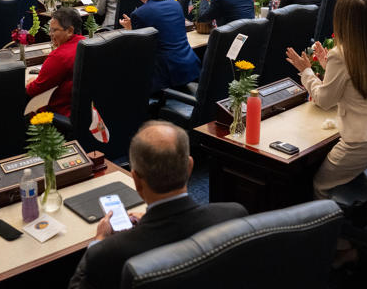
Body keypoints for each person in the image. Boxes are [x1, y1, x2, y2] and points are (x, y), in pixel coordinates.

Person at [68, 121, 247, 289]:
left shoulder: (106, 253)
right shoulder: (234, 216)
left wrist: (98, 241)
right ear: (190, 167)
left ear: (136, 180)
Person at [285, 0, 367, 198]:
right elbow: (355, 83)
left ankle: (333, 227)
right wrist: (327, 67)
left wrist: (306, 71)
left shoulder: (341, 54)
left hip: (365, 138)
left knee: (321, 185)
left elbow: (324, 101)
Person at [120, 0, 201, 91]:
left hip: (166, 75)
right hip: (190, 65)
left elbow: (140, 48)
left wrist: (131, 29)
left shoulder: (139, 14)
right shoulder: (175, 4)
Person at [26, 8, 85, 117]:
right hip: (85, 113)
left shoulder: (59, 56)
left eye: (54, 30)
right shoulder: (87, 45)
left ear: (70, 31)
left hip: (60, 114)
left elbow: (34, 90)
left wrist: (30, 83)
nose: (50, 34)